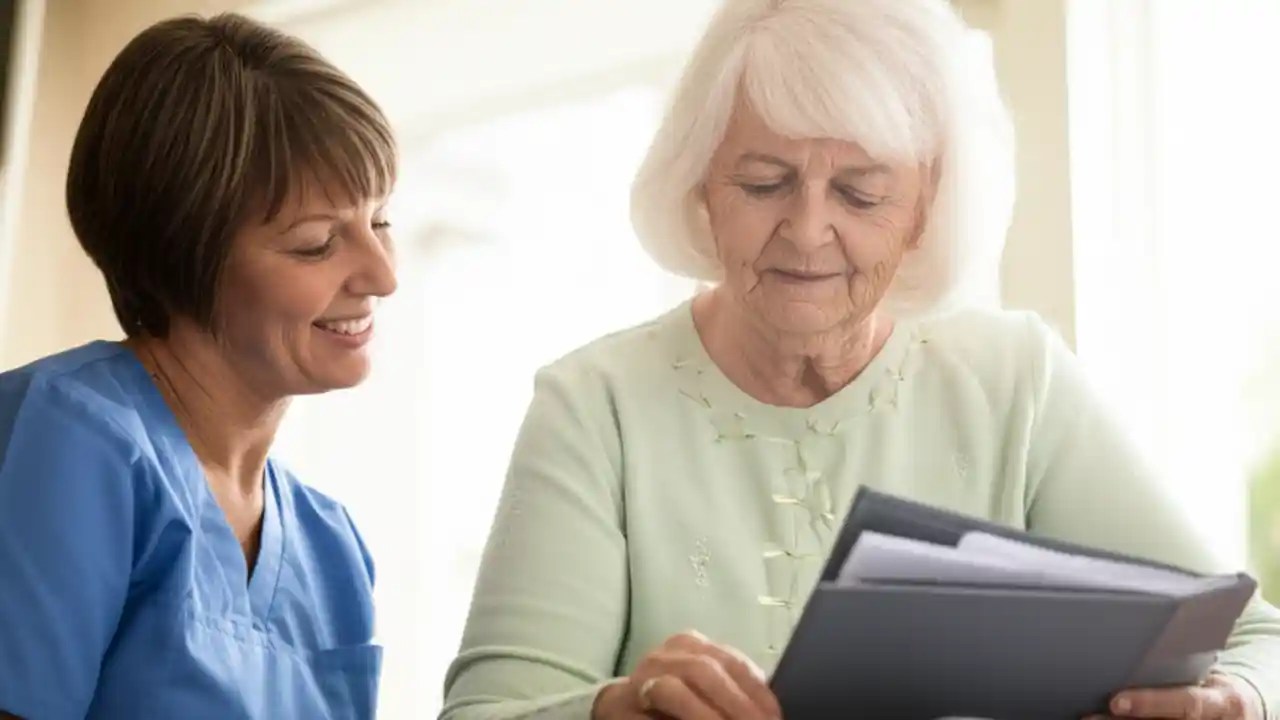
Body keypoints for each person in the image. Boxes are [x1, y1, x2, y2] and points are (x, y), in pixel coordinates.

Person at [440, 0, 1280, 718]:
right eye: (764, 183)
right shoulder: (596, 406)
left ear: (925, 208)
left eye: (860, 193)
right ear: (700, 185)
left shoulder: (1014, 377)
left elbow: (1254, 637)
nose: (808, 232)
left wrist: (1237, 697)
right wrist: (618, 707)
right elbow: (485, 711)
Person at [0, 13, 396, 720]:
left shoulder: (330, 544)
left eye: (381, 222)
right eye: (315, 244)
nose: (382, 274)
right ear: (186, 258)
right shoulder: (75, 438)